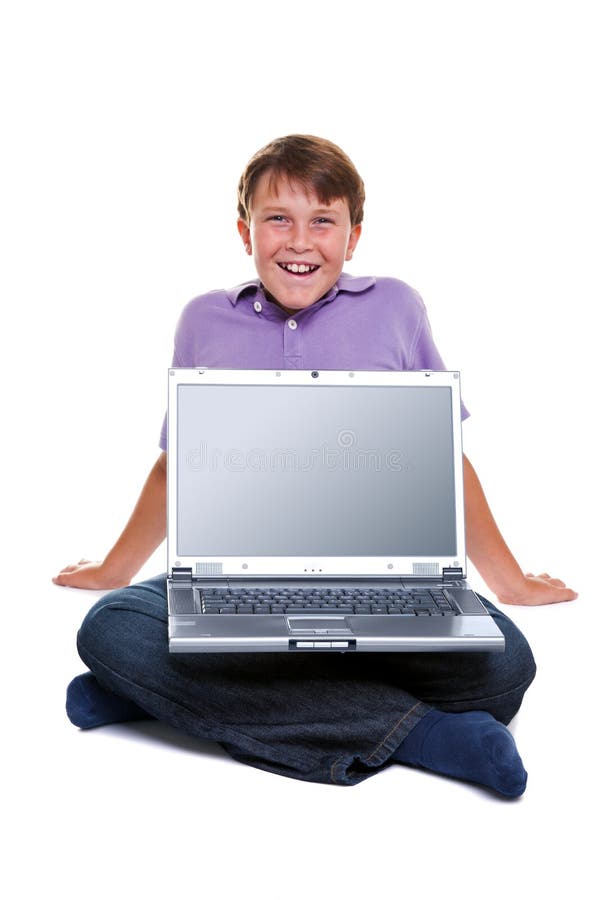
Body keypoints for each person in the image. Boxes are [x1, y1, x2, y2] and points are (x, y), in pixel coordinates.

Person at [54, 134, 577, 797]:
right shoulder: (203, 321)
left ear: (353, 237)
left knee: (505, 671)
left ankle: (175, 698)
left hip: (386, 581)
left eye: (322, 221)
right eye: (278, 219)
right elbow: (177, 467)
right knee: (110, 631)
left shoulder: (397, 308)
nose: (300, 242)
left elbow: (445, 458)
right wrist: (112, 571)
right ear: (245, 231)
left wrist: (510, 583)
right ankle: (421, 734)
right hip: (236, 581)